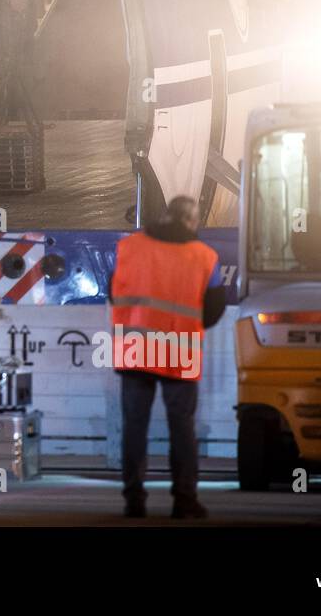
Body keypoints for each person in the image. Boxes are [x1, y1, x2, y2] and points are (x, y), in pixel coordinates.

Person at [109, 195, 227, 520]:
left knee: (134, 425)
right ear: (192, 221)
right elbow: (216, 306)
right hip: (180, 349)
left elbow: (113, 291)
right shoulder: (205, 256)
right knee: (181, 426)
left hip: (136, 348)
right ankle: (184, 499)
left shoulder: (131, 246)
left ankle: (134, 499)